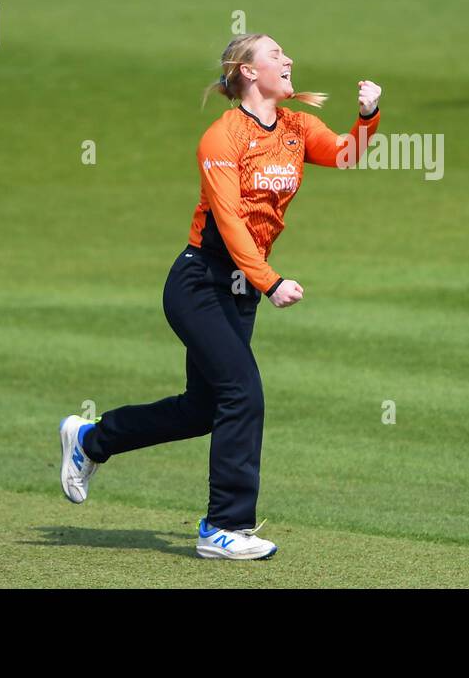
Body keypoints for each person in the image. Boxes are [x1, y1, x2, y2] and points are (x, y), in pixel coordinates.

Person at [58, 33, 382, 560]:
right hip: (198, 283)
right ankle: (222, 529)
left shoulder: (297, 126)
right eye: (276, 55)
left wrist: (368, 116)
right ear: (249, 71)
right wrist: (269, 281)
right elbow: (229, 223)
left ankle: (91, 439)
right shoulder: (222, 137)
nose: (288, 59)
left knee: (202, 409)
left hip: (238, 291)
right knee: (243, 393)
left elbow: (346, 155)